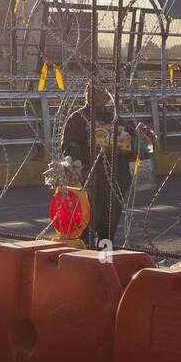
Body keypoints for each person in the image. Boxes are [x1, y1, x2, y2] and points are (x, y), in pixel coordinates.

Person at [60, 82, 156, 249]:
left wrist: (145, 138)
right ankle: (87, 262)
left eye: (103, 92)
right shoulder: (77, 118)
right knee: (86, 227)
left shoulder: (114, 118)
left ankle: (105, 261)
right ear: (86, 93)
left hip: (115, 182)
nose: (99, 96)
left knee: (108, 230)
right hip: (90, 183)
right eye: (94, 91)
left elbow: (137, 145)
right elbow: (67, 148)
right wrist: (97, 150)